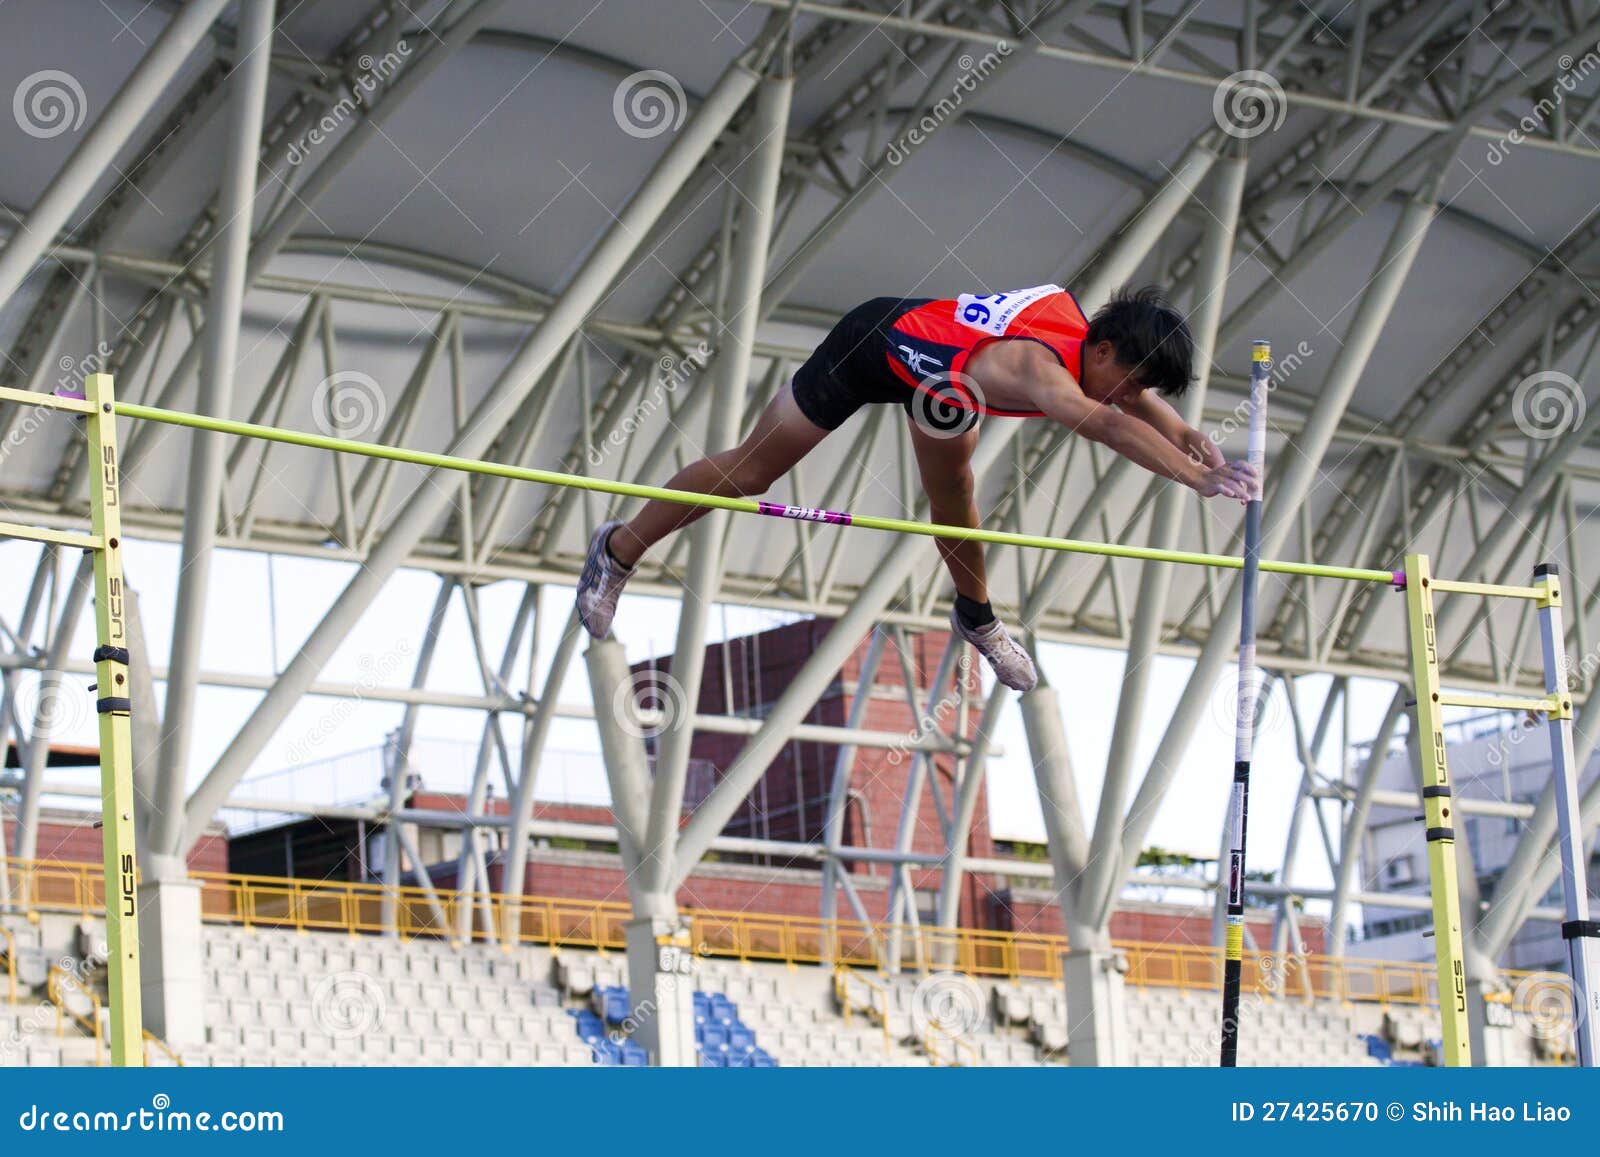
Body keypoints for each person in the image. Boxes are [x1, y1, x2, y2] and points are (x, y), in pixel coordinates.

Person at [576, 284, 1256, 691]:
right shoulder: (1037, 369)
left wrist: (1188, 430)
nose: (1138, 396)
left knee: (955, 499)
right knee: (750, 472)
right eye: (1135, 381)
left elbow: (1125, 402)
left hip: (943, 389)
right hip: (871, 346)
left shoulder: (1092, 347)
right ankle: (620, 550)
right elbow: (1107, 421)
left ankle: (977, 618)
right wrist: (1195, 475)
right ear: (1101, 351)